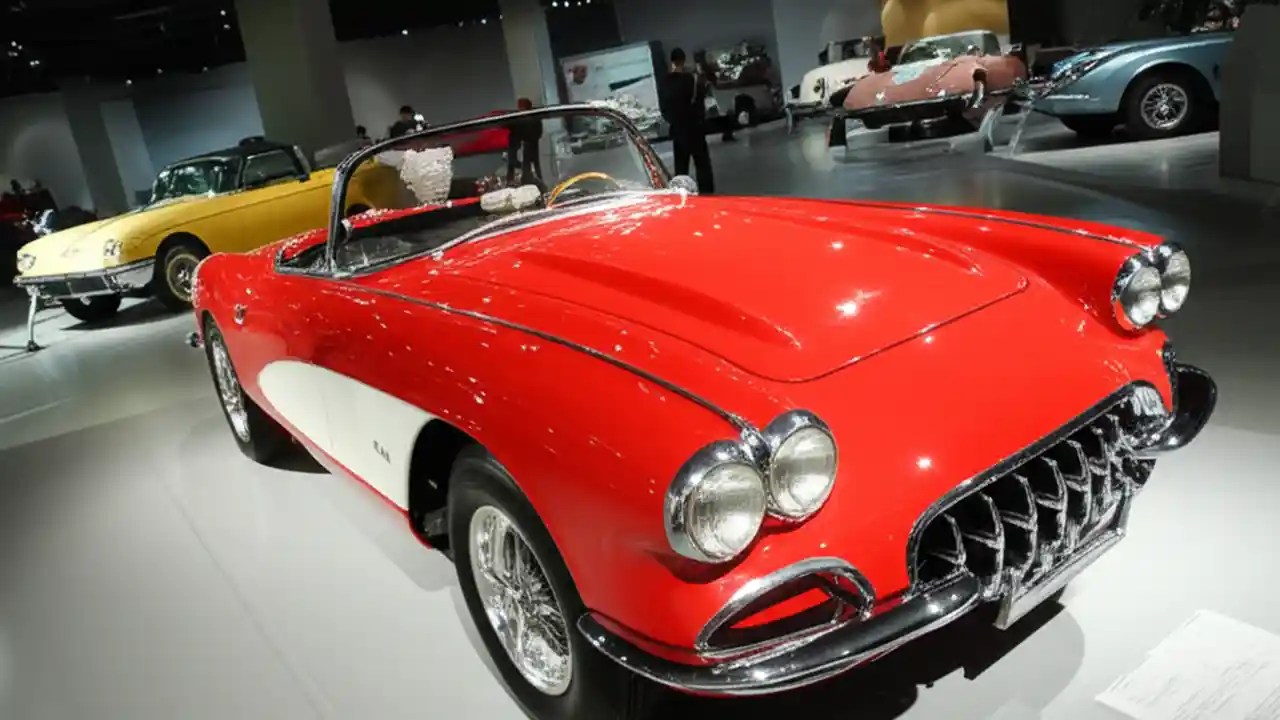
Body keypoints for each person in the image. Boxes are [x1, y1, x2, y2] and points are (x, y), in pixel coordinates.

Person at [659, 47, 715, 194]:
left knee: (681, 166)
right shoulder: (691, 79)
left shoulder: (664, 82)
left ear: (671, 61)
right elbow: (701, 100)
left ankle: (681, 192)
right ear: (683, 60)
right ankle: (707, 194)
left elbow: (663, 107)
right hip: (695, 127)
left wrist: (673, 121)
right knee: (702, 164)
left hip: (678, 129)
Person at [506, 98, 544, 188]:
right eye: (520, 108)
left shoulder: (534, 119)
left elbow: (537, 134)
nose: (521, 110)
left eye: (523, 107)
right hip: (518, 150)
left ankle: (534, 183)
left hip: (529, 150)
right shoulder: (515, 119)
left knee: (531, 170)